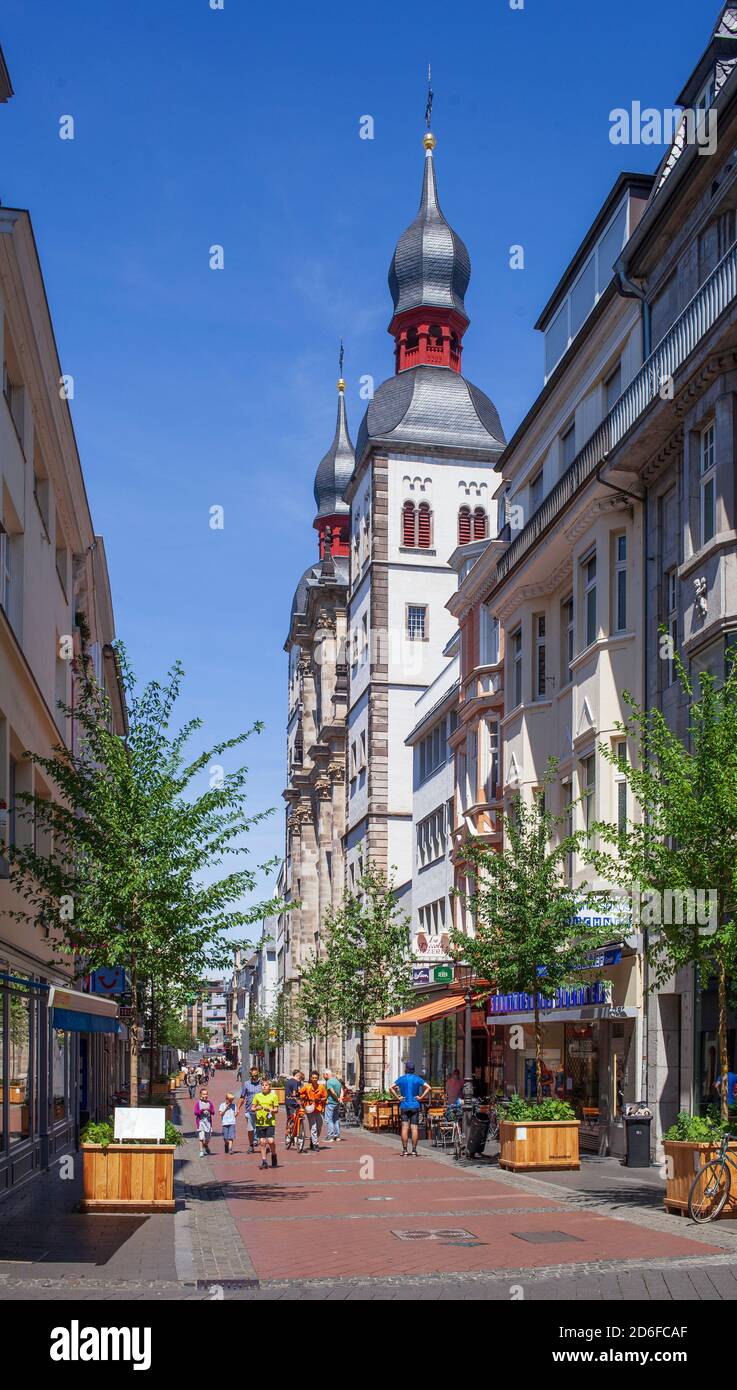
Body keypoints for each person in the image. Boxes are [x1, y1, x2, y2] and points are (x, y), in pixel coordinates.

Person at [390, 1062, 431, 1156]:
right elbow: (428, 1087)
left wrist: (398, 1097)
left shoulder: (402, 1079)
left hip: (404, 1105)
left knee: (404, 1127)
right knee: (414, 1128)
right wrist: (421, 1097)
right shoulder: (417, 1079)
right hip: (415, 1105)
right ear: (413, 1069)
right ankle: (414, 1150)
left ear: (406, 1069)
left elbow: (391, 1087)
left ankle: (404, 1150)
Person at [252, 1077, 280, 1170]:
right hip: (260, 1122)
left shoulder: (274, 1096)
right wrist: (257, 1108)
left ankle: (274, 1154)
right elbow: (252, 1108)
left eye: (266, 1085)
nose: (264, 1087)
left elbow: (276, 1110)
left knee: (271, 1141)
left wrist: (270, 1109)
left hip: (270, 1121)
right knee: (262, 1142)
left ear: (270, 1087)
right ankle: (264, 1161)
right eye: (263, 1085)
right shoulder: (257, 1096)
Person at [299, 1070, 328, 1150]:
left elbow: (325, 1097)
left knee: (319, 1126)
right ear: (311, 1078)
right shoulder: (307, 1086)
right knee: (313, 1127)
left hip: (318, 1109)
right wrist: (303, 1097)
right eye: (313, 1078)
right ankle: (315, 1144)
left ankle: (312, 1139)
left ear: (318, 1078)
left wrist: (321, 1100)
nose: (314, 1079)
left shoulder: (321, 1087)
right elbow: (300, 1093)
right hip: (310, 1109)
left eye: (316, 1078)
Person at [236, 1066, 262, 1153]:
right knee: (250, 1129)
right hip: (249, 1110)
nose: (254, 1078)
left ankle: (264, 1144)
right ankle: (251, 1145)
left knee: (261, 1128)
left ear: (258, 1074)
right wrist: (238, 1108)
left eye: (255, 1076)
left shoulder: (262, 1084)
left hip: (261, 1110)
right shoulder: (247, 1084)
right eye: (252, 1076)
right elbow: (242, 1097)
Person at [323, 1069, 344, 1143]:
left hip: (331, 1103)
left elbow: (332, 1092)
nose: (323, 1077)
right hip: (336, 1104)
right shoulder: (337, 1081)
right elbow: (342, 1091)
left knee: (329, 1120)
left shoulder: (329, 1082)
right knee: (336, 1119)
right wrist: (340, 1098)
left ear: (326, 1074)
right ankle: (337, 1136)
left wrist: (336, 1098)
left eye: (323, 1075)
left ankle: (330, 1136)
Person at [194, 1088, 215, 1157]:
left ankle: (206, 1145)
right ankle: (201, 1151)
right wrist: (201, 1110)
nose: (205, 1095)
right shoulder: (198, 1103)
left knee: (208, 1138)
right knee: (201, 1137)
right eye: (204, 1094)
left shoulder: (209, 1103)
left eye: (206, 1094)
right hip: (201, 1122)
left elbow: (213, 1112)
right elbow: (195, 1112)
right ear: (200, 1095)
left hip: (208, 1122)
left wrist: (209, 1110)